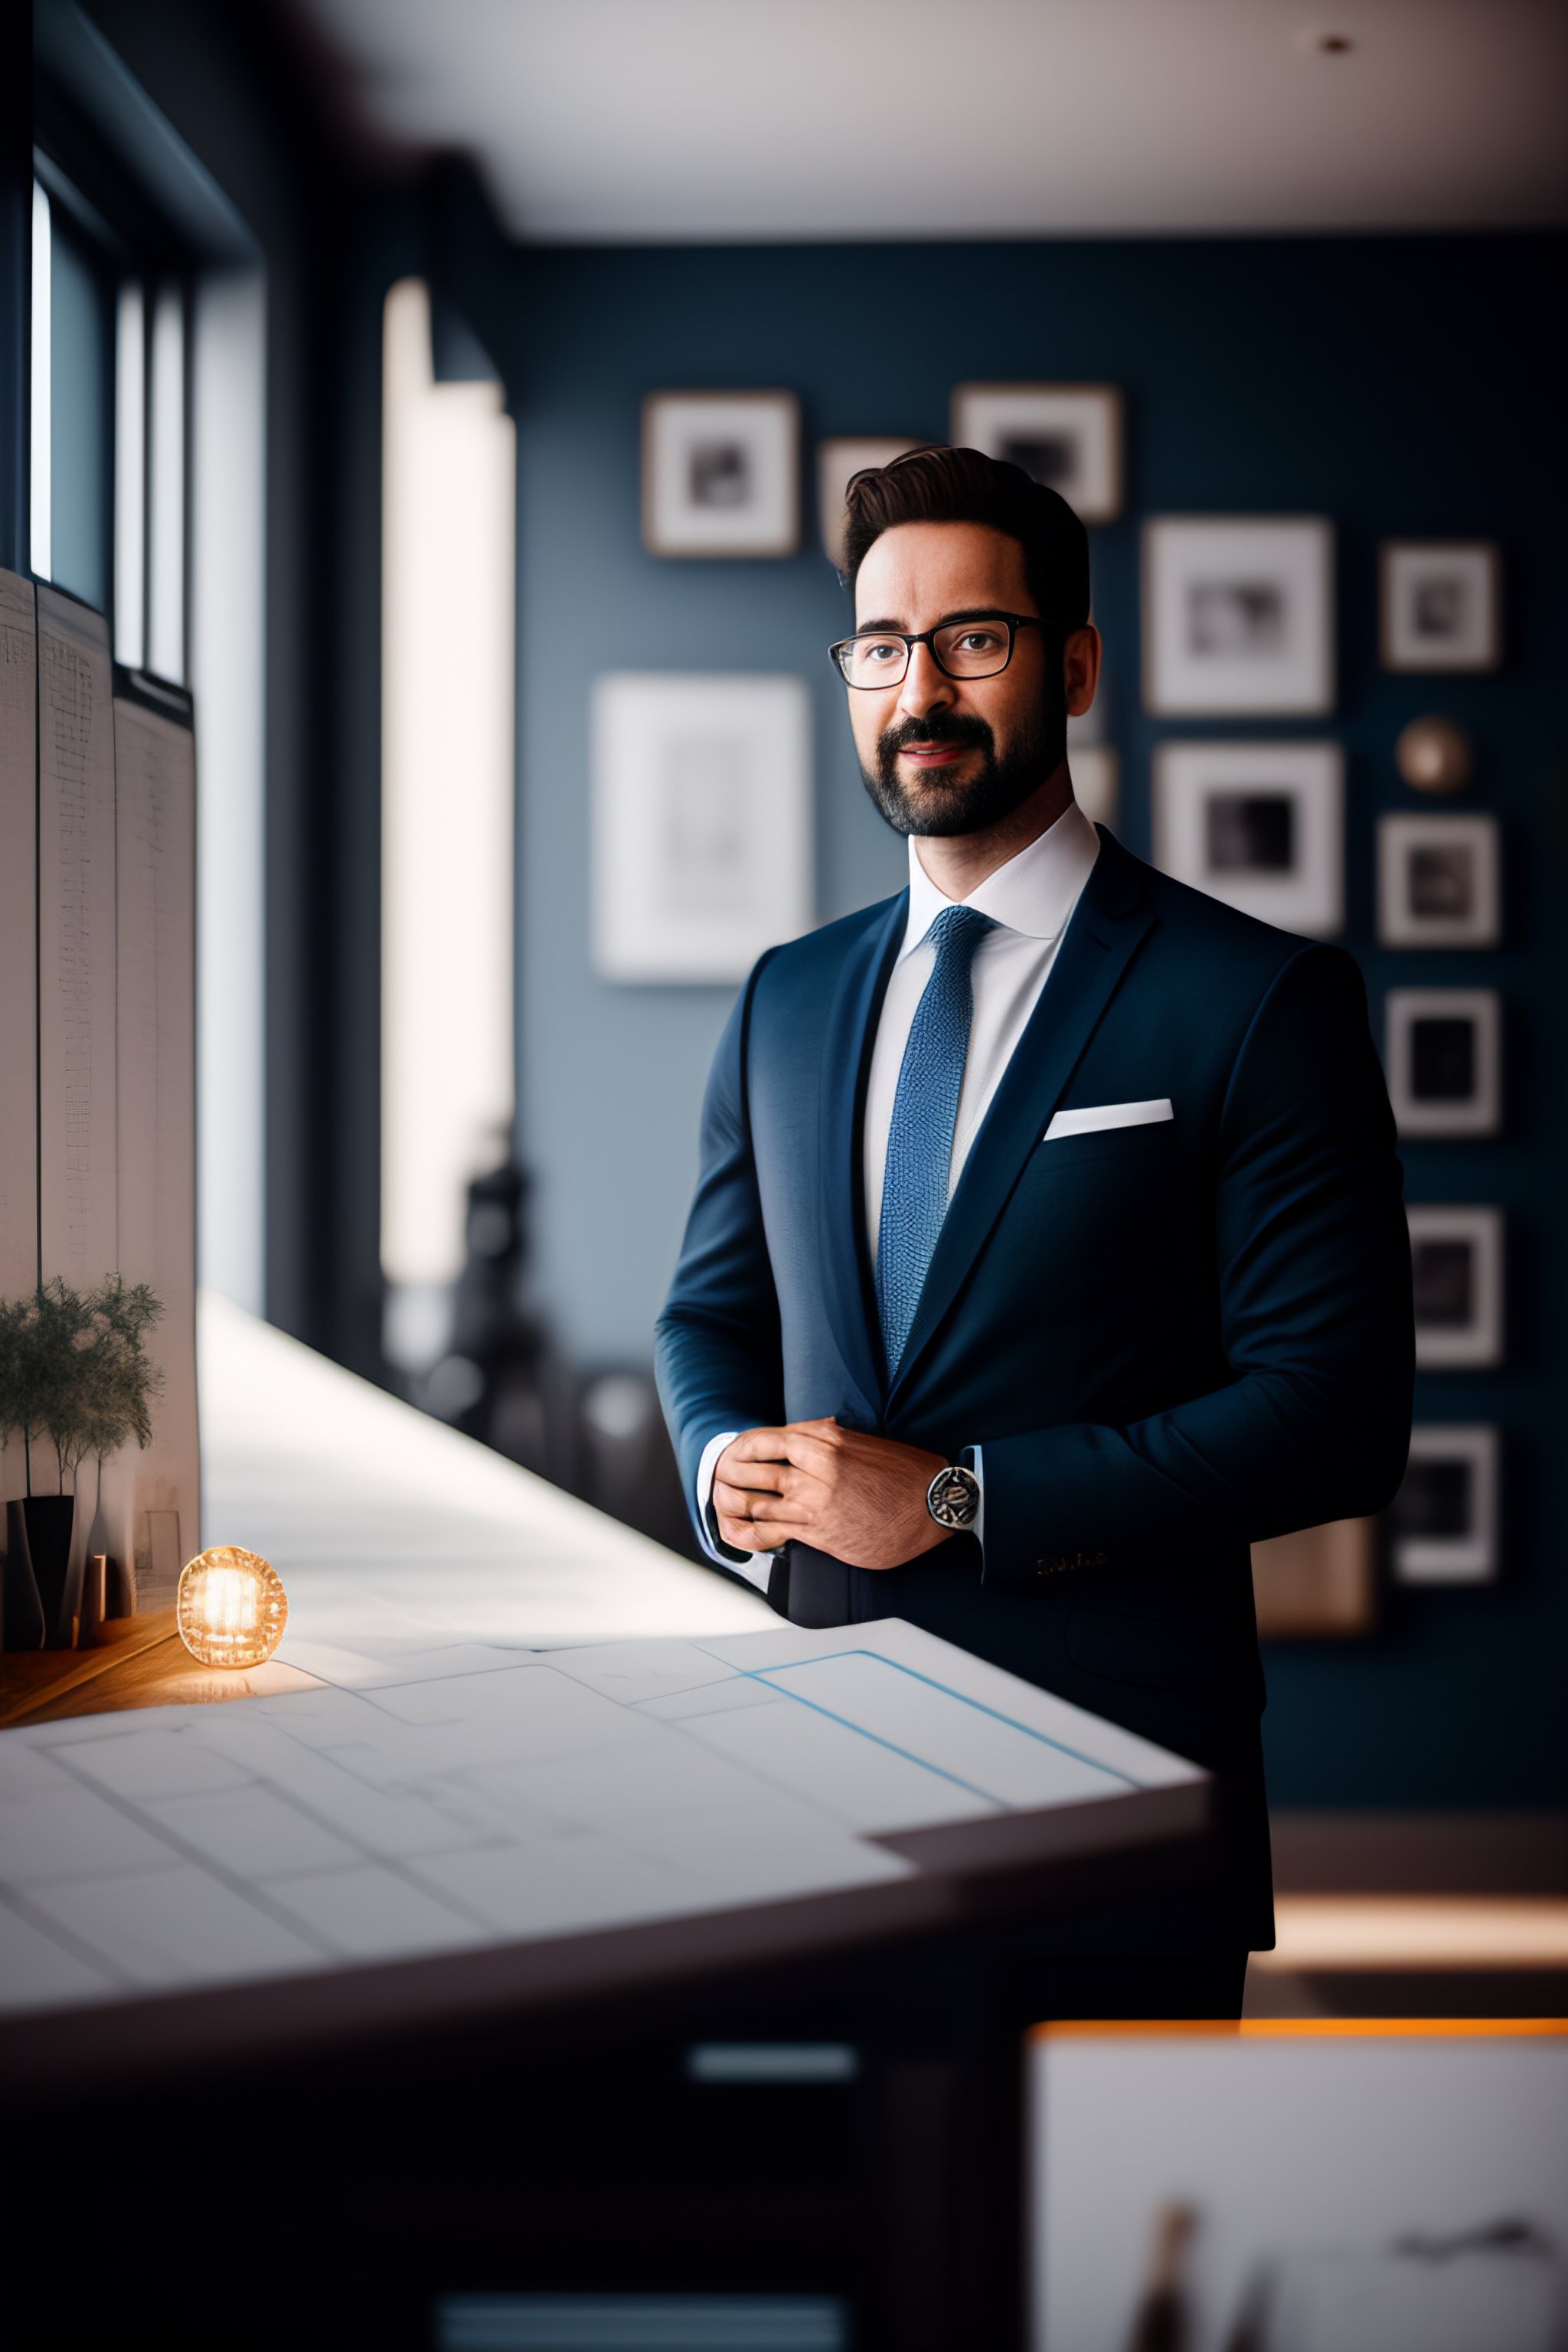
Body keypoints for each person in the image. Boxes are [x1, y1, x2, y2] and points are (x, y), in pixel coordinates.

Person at [655, 446, 1413, 2014]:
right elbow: (708, 1320)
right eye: (880, 649)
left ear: (1070, 663)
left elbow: (1334, 1419)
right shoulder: (785, 999)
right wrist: (722, 1465)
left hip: (1115, 1800)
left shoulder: (1255, 1000)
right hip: (810, 1789)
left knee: (1107, 2253)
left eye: (970, 641)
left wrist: (954, 1498)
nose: (917, 689)